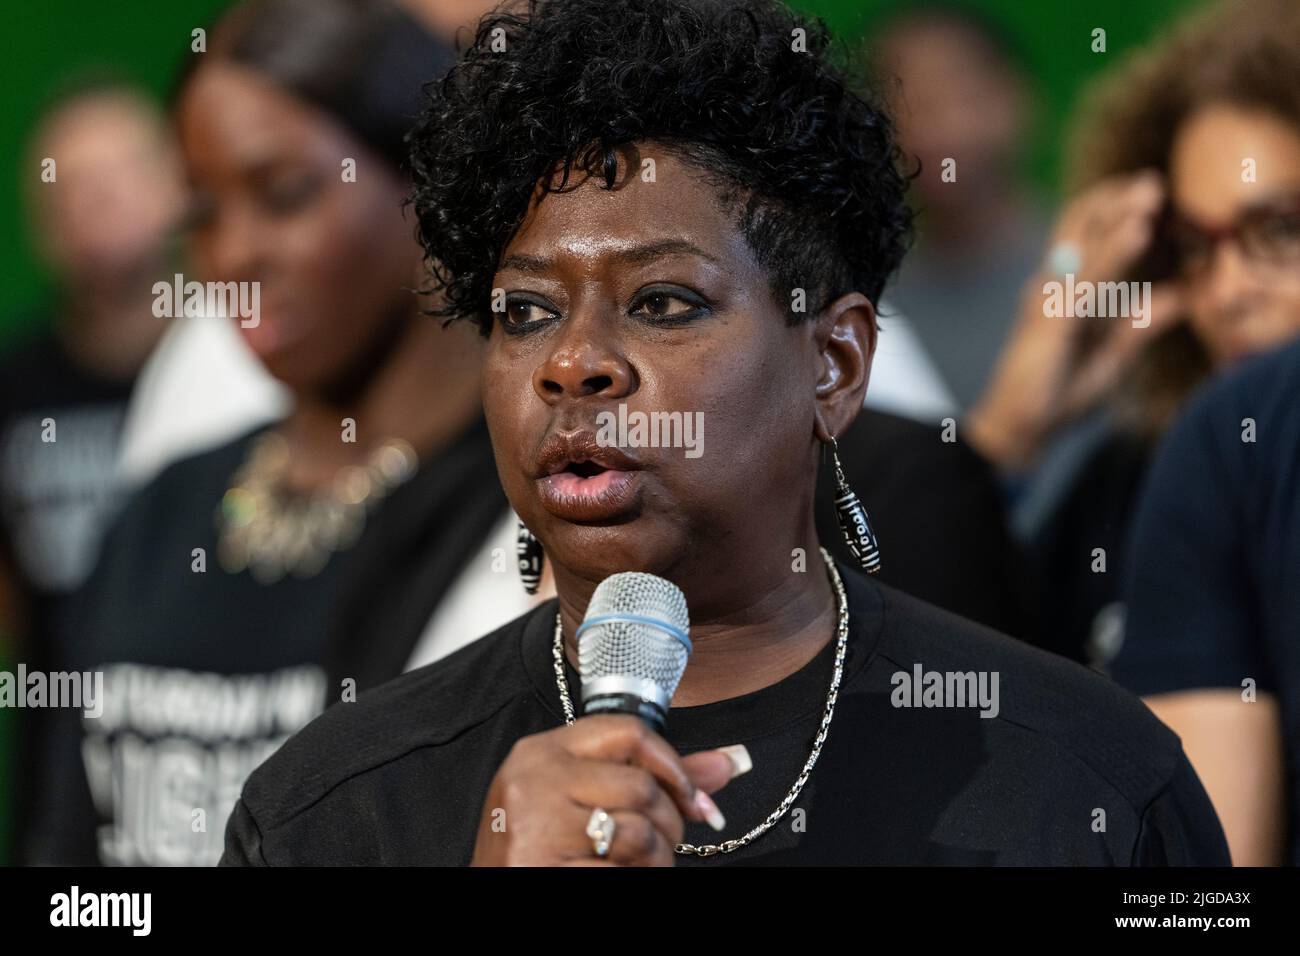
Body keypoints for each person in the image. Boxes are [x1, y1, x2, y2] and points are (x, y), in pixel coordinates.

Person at [222, 0, 1227, 866]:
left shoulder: (1088, 782)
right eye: (525, 313)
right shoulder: (334, 810)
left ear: (833, 365)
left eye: (661, 301)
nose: (574, 364)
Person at [24, 0, 501, 866]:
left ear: (422, 181)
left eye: (283, 195)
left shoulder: (518, 515)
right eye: (203, 213)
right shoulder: (163, 511)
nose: (234, 254)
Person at [965, 0, 1300, 666]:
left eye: (1279, 230)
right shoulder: (1134, 479)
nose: (1228, 292)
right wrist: (1006, 436)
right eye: (1195, 246)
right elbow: (934, 683)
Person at [0, 81, 182, 858]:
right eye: (69, 187)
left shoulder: (257, 374)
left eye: (118, 175)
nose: (95, 204)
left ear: (180, 186)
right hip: (62, 784)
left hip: (216, 765)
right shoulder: (14, 387)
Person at [1113, 337, 1300, 867]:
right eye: (1194, 261)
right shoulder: (1237, 427)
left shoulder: (1239, 421)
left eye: (1273, 249)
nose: (1230, 292)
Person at [873, 2, 1051, 411]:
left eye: (960, 96)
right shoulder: (867, 299)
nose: (934, 130)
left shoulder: (1092, 271)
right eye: (904, 103)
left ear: (1017, 101)